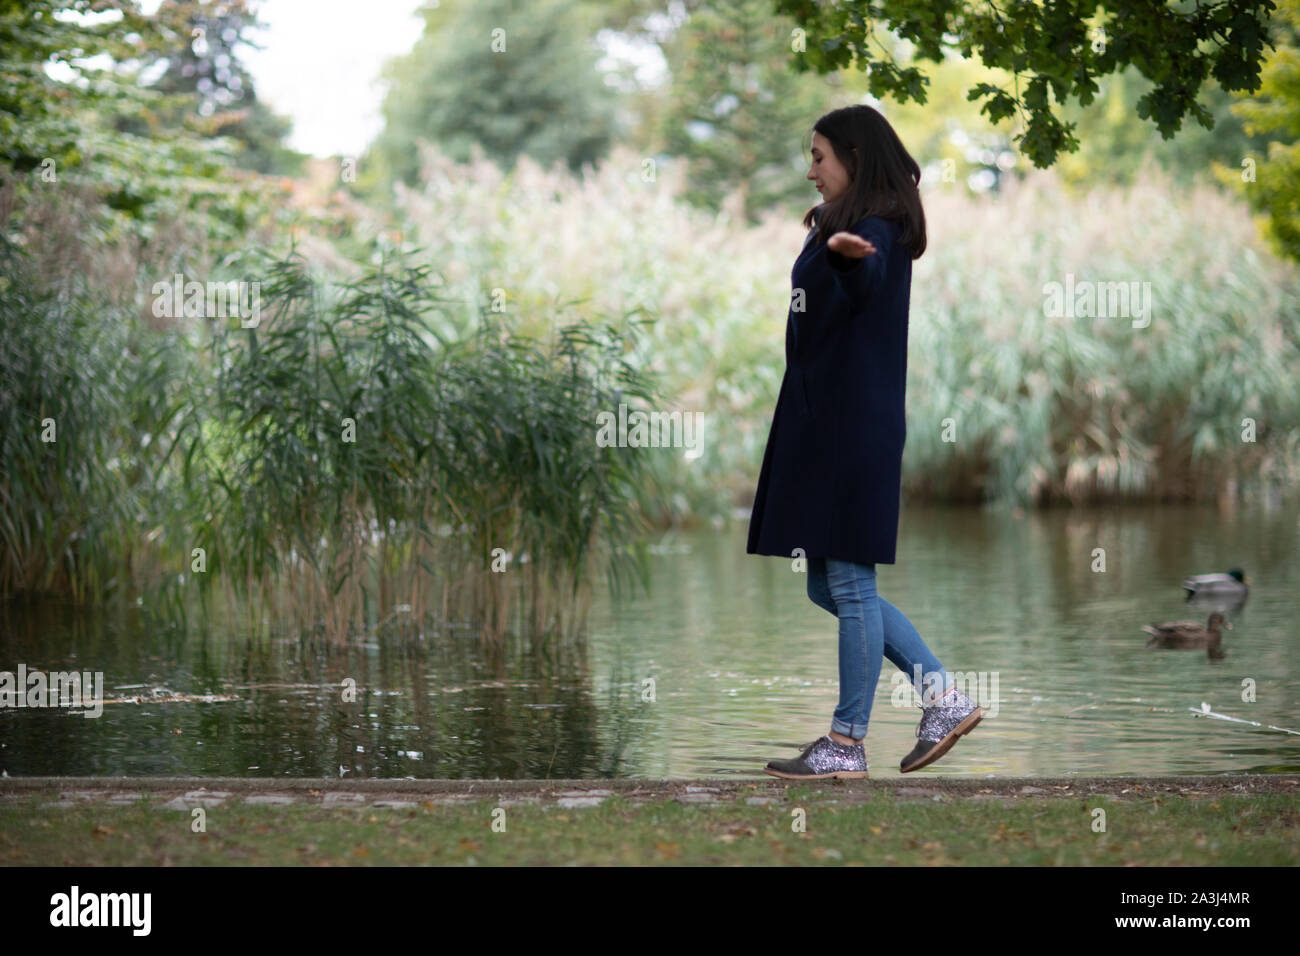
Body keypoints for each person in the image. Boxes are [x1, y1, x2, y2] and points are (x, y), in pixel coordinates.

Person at [746, 105, 985, 779]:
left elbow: (867, 283)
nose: (811, 168)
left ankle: (846, 744)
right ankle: (943, 696)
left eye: (819, 155)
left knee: (849, 585)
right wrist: (833, 245)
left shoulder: (875, 232)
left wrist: (849, 262)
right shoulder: (841, 227)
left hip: (849, 428)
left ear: (853, 155)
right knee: (828, 587)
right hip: (825, 423)